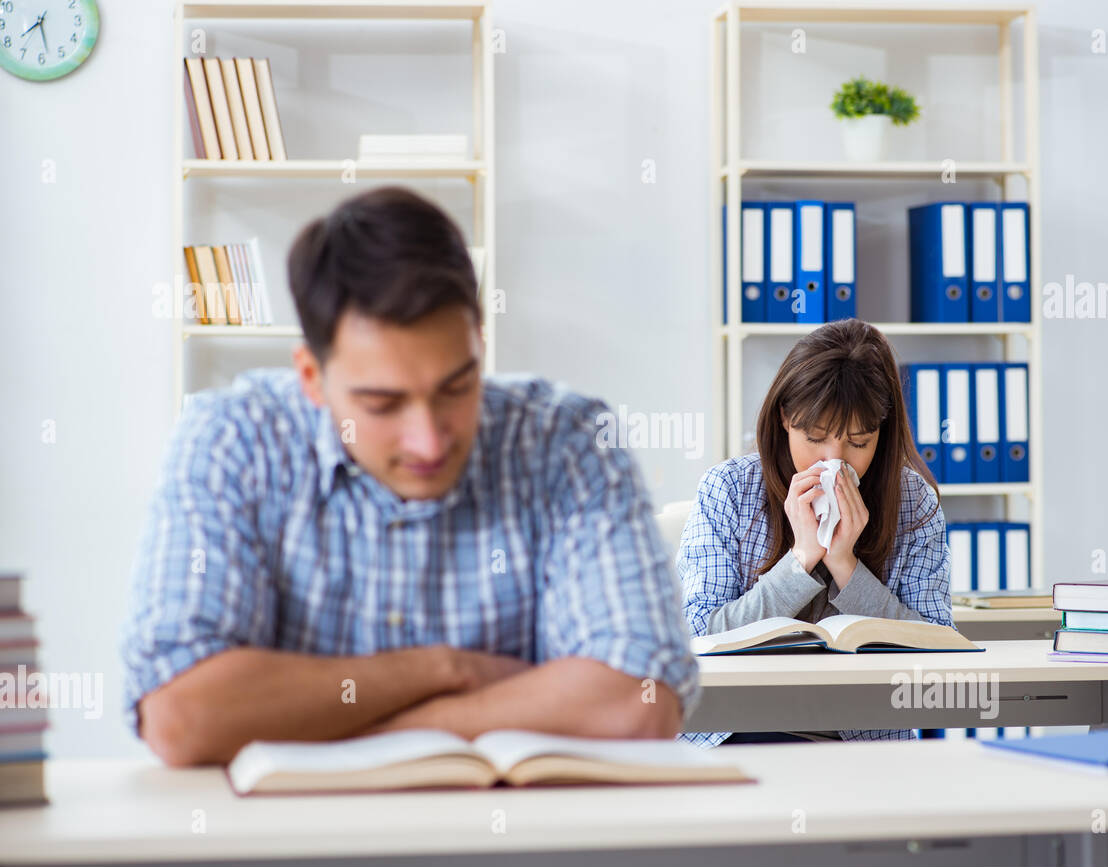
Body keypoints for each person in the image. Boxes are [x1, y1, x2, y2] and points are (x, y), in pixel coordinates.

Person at [121, 186, 697, 766]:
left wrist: (338, 732)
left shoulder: (567, 441)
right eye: (382, 403)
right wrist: (450, 669)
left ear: (479, 344)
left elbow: (637, 701)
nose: (428, 440)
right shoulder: (229, 440)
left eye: (456, 387)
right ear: (312, 377)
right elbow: (182, 715)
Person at [677, 319, 953, 746]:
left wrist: (846, 567)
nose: (833, 461)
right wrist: (801, 560)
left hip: (860, 741)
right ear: (785, 417)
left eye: (858, 443)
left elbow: (938, 646)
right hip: (734, 731)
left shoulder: (914, 502)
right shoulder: (729, 489)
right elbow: (698, 638)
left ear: (882, 431)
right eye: (815, 437)